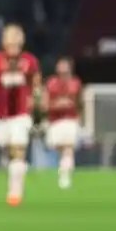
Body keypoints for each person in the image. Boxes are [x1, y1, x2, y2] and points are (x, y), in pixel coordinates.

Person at [0, 24, 41, 206]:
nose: (13, 44)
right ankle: (12, 170)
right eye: (10, 40)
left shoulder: (29, 61)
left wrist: (36, 99)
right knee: (6, 149)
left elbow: (36, 83)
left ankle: (15, 192)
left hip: (21, 113)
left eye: (17, 41)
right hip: (2, 114)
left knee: (18, 148)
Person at [44, 57, 83, 189]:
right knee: (61, 150)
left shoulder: (76, 83)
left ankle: (65, 176)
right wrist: (57, 104)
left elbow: (79, 103)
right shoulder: (51, 83)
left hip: (71, 120)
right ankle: (64, 170)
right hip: (55, 121)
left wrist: (79, 118)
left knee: (68, 148)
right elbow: (45, 105)